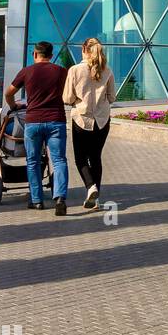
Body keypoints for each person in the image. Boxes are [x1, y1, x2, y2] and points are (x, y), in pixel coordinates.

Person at [6, 42, 68, 215]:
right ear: (51, 54)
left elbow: (8, 92)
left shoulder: (27, 71)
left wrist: (14, 107)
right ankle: (60, 198)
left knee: (32, 161)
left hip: (32, 122)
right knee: (59, 160)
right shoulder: (61, 71)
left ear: (34, 54)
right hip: (56, 120)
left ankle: (37, 200)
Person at [62, 37, 116, 210]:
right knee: (96, 157)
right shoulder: (107, 70)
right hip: (102, 120)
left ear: (84, 49)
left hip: (81, 120)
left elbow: (67, 98)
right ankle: (96, 198)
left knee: (80, 158)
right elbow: (112, 97)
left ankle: (90, 187)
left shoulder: (75, 70)